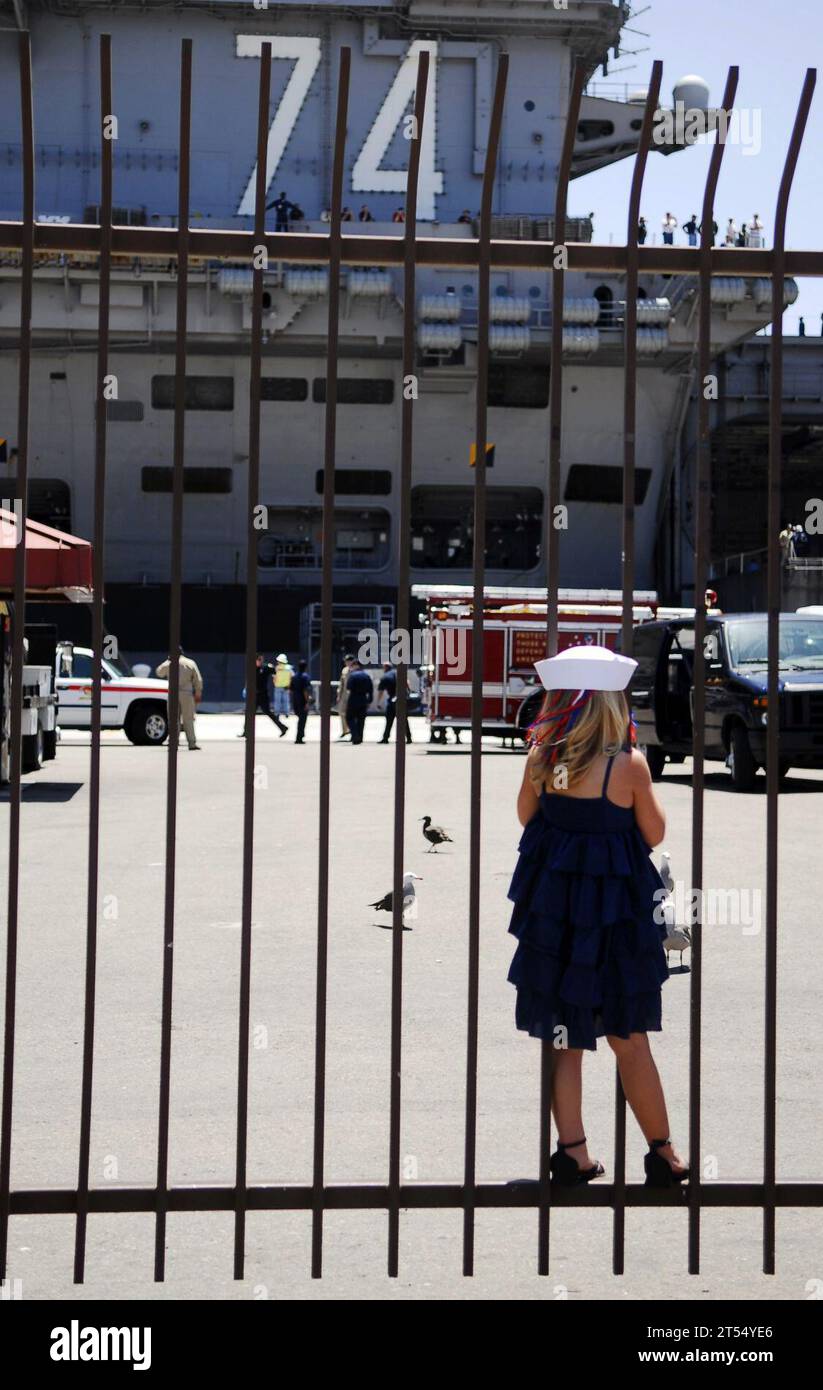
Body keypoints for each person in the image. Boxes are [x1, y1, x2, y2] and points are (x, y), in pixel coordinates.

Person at [507, 645, 687, 1189]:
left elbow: (525, 818)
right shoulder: (628, 766)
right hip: (617, 921)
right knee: (630, 1038)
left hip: (555, 919)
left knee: (563, 1037)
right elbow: (655, 834)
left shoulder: (543, 760)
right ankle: (663, 1154)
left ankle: (573, 1152)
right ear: (612, 703)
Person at [156, 645, 202, 750]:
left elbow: (159, 672)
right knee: (188, 719)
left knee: (173, 719)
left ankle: (173, 742)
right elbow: (198, 679)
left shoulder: (169, 663)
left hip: (173, 693)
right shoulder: (190, 663)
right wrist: (198, 692)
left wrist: (167, 661)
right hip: (187, 693)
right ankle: (191, 743)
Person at [239, 653, 287, 737]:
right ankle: (246, 731)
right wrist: (246, 689)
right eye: (259, 660)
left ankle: (282, 727)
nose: (261, 661)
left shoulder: (266, 668)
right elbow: (249, 680)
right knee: (249, 713)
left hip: (263, 695)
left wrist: (278, 669)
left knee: (268, 712)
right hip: (255, 696)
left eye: (261, 659)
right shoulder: (252, 668)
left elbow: (275, 671)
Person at [378, 661, 412, 745]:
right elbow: (408, 685)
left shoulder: (385, 677)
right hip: (401, 700)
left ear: (385, 668)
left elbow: (381, 691)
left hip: (391, 701)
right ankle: (409, 738)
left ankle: (385, 738)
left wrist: (379, 702)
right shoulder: (398, 673)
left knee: (389, 721)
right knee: (404, 720)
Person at [344, 659, 373, 745]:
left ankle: (355, 734)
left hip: (353, 698)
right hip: (363, 699)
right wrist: (369, 701)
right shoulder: (367, 676)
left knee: (349, 718)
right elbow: (370, 690)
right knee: (361, 719)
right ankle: (360, 737)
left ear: (355, 665)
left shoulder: (352, 676)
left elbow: (348, 688)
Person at [291, 658, 313, 744]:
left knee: (300, 718)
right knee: (302, 720)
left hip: (296, 699)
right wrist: (307, 702)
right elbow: (305, 690)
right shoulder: (305, 677)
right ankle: (299, 737)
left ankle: (299, 736)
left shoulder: (294, 676)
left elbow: (291, 689)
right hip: (302, 700)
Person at [336, 652, 353, 739]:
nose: (346, 663)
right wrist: (339, 694)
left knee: (351, 714)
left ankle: (351, 730)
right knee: (342, 712)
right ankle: (345, 730)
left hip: (352, 695)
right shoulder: (344, 670)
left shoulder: (355, 670)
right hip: (344, 695)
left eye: (348, 661)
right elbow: (341, 683)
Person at [273, 652, 293, 725]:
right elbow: (291, 677)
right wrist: (290, 685)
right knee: (286, 700)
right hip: (286, 687)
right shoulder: (289, 668)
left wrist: (275, 683)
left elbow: (274, 677)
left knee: (277, 701)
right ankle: (287, 713)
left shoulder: (276, 668)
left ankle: (277, 714)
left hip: (278, 686)